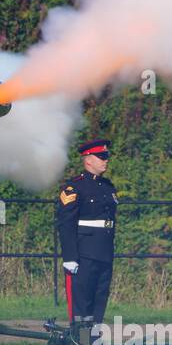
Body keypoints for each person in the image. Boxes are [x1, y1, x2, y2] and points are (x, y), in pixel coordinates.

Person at [56, 139, 118, 324]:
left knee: (99, 302)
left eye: (106, 156)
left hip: (104, 252)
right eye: (101, 157)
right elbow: (66, 223)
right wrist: (70, 257)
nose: (105, 160)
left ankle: (93, 344)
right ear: (88, 160)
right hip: (84, 254)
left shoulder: (108, 186)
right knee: (81, 305)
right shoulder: (75, 187)